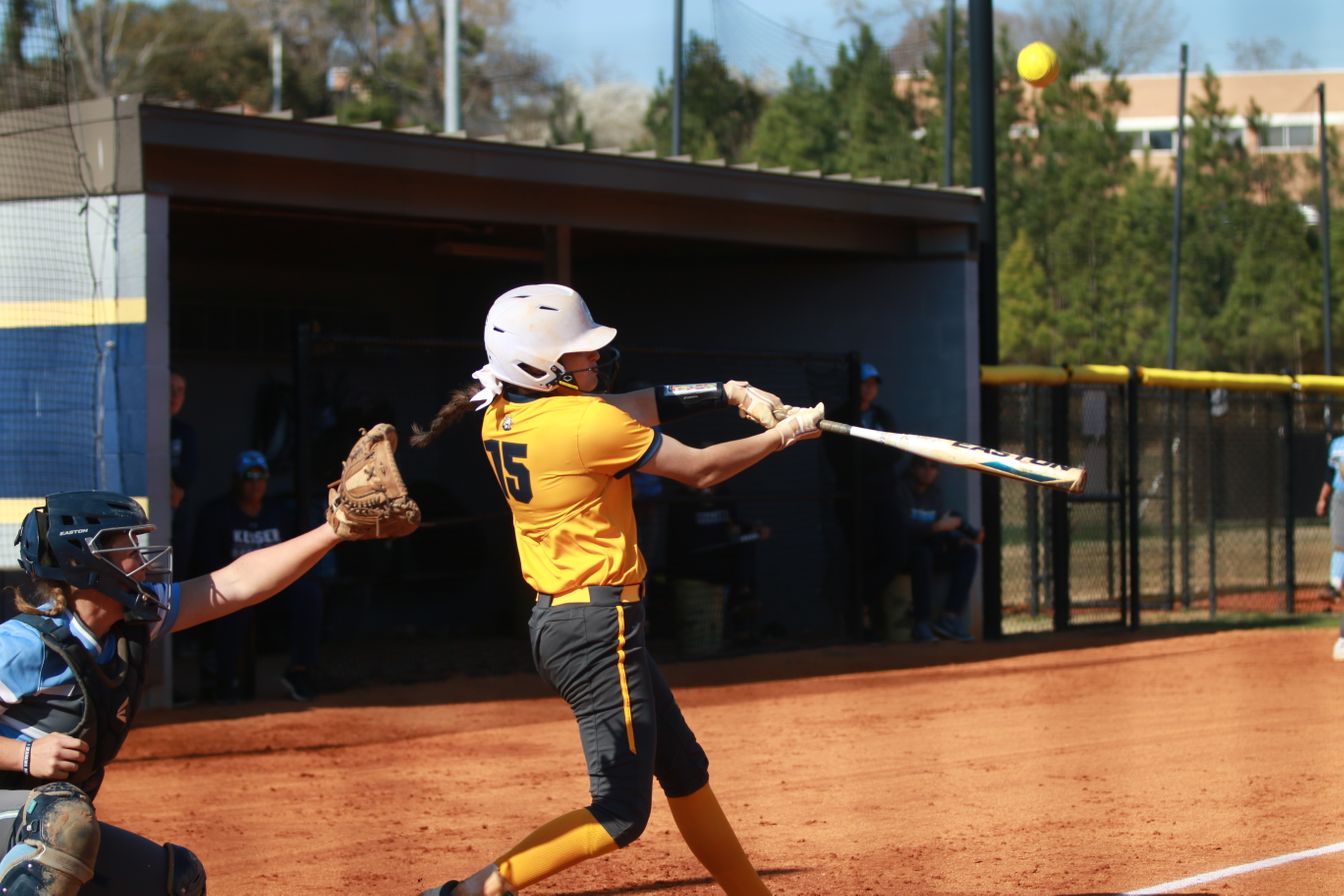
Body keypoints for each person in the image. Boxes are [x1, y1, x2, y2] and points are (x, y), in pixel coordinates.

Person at [410, 283, 822, 896]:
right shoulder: (584, 423)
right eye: (579, 355)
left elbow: (634, 404)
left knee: (684, 769)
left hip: (568, 625)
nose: (593, 362)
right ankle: (470, 892)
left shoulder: (498, 412)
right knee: (621, 813)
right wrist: (782, 436)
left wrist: (730, 393)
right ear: (539, 364)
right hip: (597, 632)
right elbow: (701, 469)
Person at [0, 488, 362, 894]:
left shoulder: (128, 627)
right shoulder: (24, 645)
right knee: (64, 830)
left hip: (41, 822)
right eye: (128, 546)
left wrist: (334, 530)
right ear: (83, 559)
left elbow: (238, 583)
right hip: (21, 819)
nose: (141, 558)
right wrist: (23, 754)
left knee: (176, 880)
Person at [192, 450, 324, 703]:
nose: (255, 484)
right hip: (235, 589)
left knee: (309, 593)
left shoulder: (279, 513)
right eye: (248, 477)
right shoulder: (216, 513)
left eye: (261, 476)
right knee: (233, 602)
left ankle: (300, 671)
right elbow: (206, 561)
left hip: (274, 588)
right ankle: (226, 681)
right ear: (236, 480)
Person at [825, 361, 904, 641]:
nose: (870, 389)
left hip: (884, 496)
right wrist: (872, 457)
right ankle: (858, 621)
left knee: (893, 553)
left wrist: (868, 457)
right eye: (864, 383)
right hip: (854, 500)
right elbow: (843, 459)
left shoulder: (882, 415)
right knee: (859, 557)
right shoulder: (840, 416)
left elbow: (895, 452)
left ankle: (866, 607)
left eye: (874, 384)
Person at [896, 456, 983, 643]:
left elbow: (941, 528)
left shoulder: (935, 494)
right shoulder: (900, 490)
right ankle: (922, 623)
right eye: (923, 466)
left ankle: (949, 619)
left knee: (967, 553)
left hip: (930, 549)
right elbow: (900, 529)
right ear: (913, 469)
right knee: (922, 554)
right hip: (900, 554)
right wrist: (936, 527)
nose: (928, 471)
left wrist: (958, 540)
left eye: (933, 467)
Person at [168, 371, 198, 569]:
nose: (175, 396)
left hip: (179, 514)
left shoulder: (185, 432)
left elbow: (188, 474)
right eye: (170, 390)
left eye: (180, 391)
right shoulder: (145, 427)